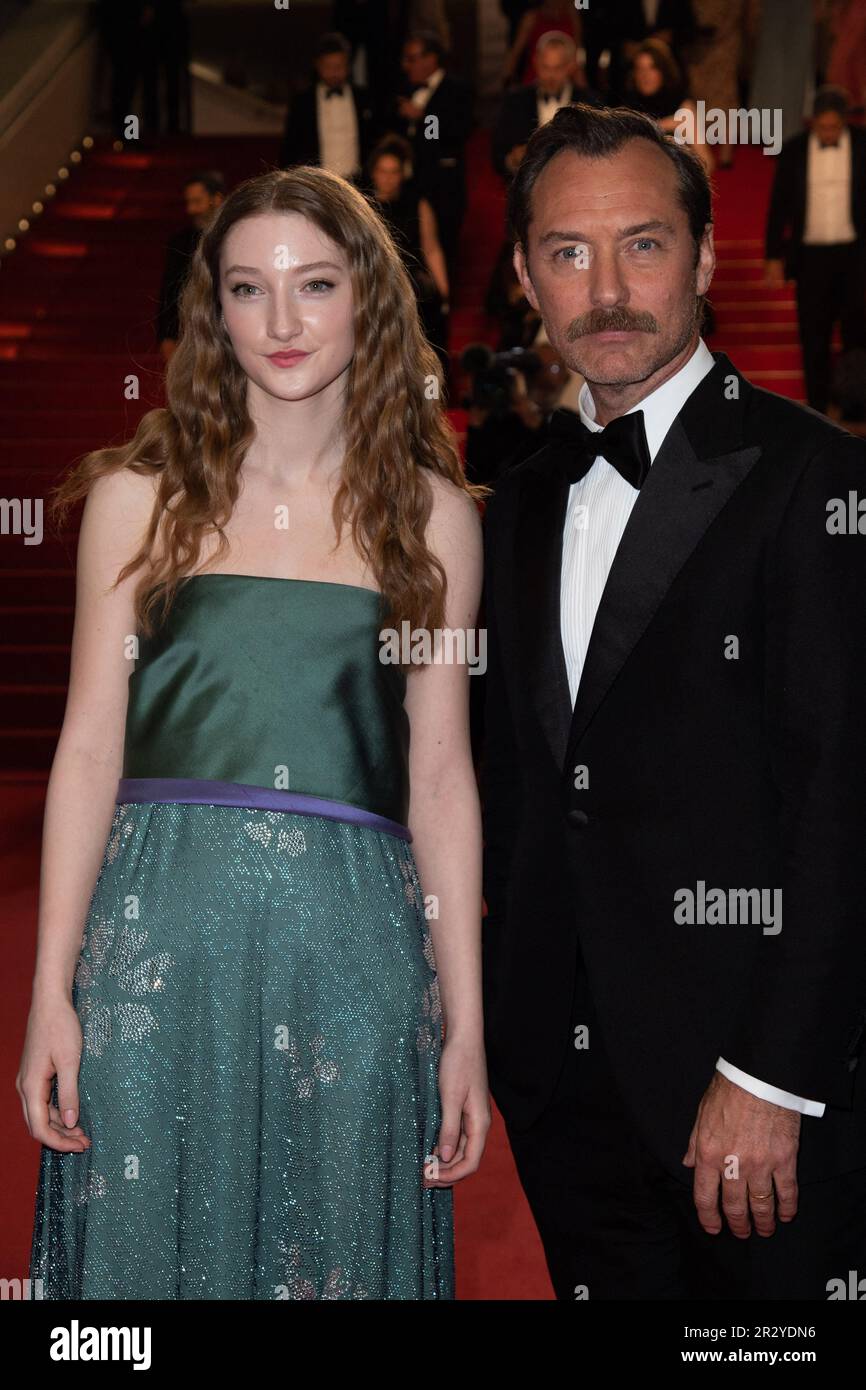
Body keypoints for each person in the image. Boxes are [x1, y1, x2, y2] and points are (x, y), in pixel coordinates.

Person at [19, 165, 490, 1300]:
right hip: (154, 950)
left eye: (314, 284)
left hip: (356, 957)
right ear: (211, 309)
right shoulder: (141, 499)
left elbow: (438, 775)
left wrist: (464, 1022)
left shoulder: (431, 518)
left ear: (366, 298)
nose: (279, 322)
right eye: (247, 287)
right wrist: (49, 989)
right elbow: (87, 750)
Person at [480, 102, 866, 1301]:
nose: (604, 288)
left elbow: (846, 801)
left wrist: (767, 1077)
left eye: (641, 245)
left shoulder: (817, 481)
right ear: (523, 279)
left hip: (753, 1105)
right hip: (561, 1093)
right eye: (566, 252)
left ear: (703, 259)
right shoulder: (518, 500)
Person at [765, 85, 866, 415]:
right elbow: (778, 206)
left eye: (834, 127)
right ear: (812, 124)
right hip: (810, 259)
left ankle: (856, 405)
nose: (828, 133)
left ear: (845, 123)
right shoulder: (794, 151)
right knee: (813, 334)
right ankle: (818, 410)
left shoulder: (863, 145)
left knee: (858, 332)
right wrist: (773, 256)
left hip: (856, 256)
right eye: (822, 127)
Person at [365, 135, 450, 366]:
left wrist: (443, 292)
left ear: (402, 174)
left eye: (394, 171)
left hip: (413, 282)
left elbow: (432, 248)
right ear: (373, 173)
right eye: (383, 171)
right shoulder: (363, 209)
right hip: (375, 281)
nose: (388, 178)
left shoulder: (417, 204)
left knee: (426, 305)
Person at [397, 30, 473, 277]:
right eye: (406, 58)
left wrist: (423, 117)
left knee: (443, 250)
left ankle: (442, 305)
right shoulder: (405, 88)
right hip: (411, 184)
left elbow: (459, 131)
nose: (407, 65)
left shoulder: (457, 88)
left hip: (444, 186)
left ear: (431, 59)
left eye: (413, 58)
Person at [492, 32, 603, 181]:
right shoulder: (515, 101)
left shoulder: (590, 102)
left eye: (558, 68)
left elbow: (600, 151)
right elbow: (498, 154)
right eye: (546, 67)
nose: (551, 75)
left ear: (570, 66)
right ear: (536, 62)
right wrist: (513, 160)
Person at [279, 32, 377, 181]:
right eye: (328, 66)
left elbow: (372, 142)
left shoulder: (364, 98)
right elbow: (290, 147)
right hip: (317, 183)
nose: (334, 72)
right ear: (318, 65)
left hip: (358, 182)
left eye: (339, 66)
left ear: (348, 65)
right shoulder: (303, 102)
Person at [156, 169, 225, 363]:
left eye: (197, 202)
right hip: (194, 334)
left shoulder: (236, 237)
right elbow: (170, 291)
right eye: (188, 202)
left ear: (216, 199)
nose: (191, 210)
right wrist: (167, 336)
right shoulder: (179, 243)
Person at [624, 37, 712, 171]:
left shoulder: (681, 105)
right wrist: (663, 125)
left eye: (652, 68)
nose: (645, 75)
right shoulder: (627, 105)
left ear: (663, 72)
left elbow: (707, 162)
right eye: (639, 68)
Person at [502, 0, 582, 87]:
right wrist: (507, 78)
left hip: (564, 80)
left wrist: (583, 86)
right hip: (535, 79)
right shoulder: (532, 18)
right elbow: (515, 53)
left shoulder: (572, 17)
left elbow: (577, 54)